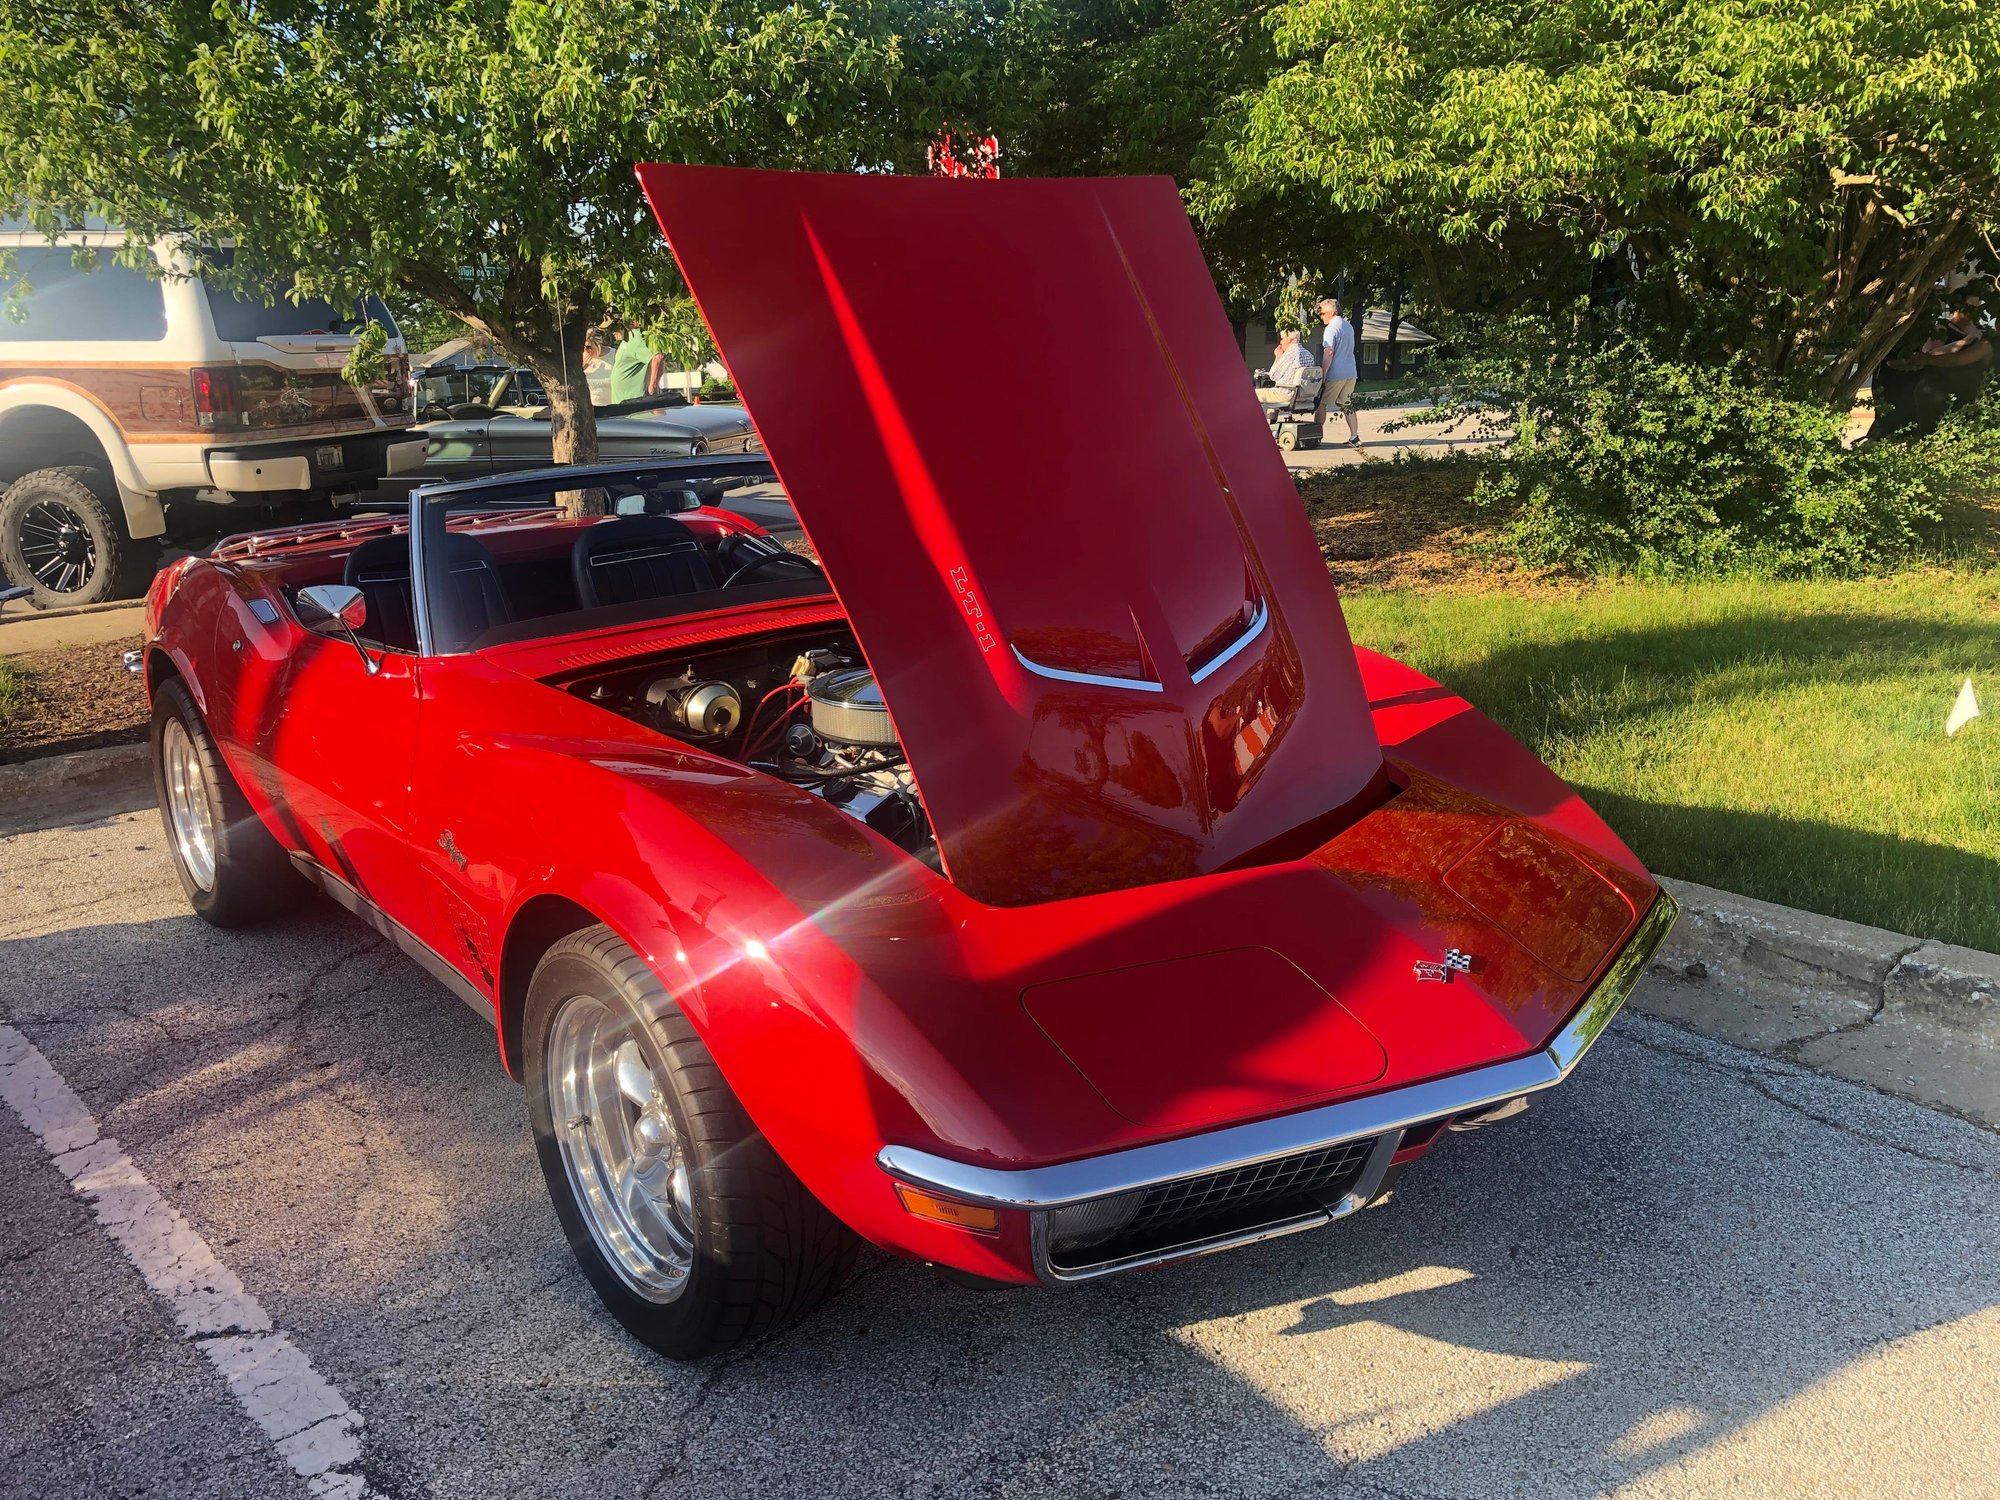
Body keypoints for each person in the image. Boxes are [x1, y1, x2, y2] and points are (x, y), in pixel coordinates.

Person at [1313, 297, 1361, 446]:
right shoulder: (1348, 326)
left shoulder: (1331, 328)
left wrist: (1324, 372)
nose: (1321, 317)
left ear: (1332, 312)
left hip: (1336, 372)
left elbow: (1329, 352)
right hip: (1350, 371)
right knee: (1347, 404)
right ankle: (1354, 437)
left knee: (1321, 403)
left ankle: (1316, 436)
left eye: (1322, 313)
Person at [609, 320, 663, 404]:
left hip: (636, 404)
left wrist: (653, 386)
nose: (612, 333)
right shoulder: (628, 339)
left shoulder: (635, 337)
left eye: (612, 328)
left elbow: (658, 357)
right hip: (626, 404)